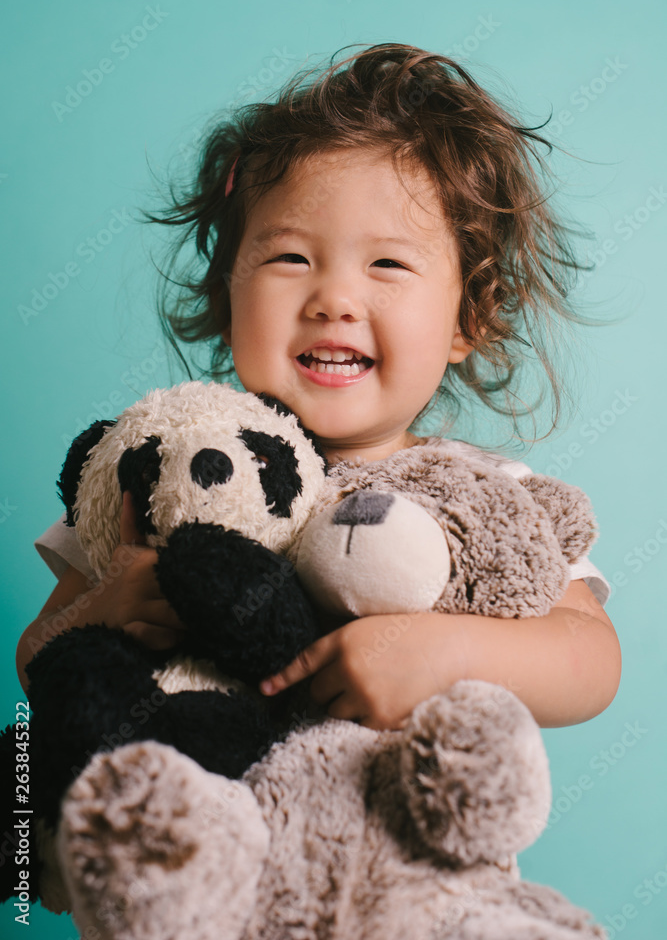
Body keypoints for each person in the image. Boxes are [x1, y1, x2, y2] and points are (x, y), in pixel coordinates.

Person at [17, 43, 621, 733]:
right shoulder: (165, 470)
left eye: (388, 263)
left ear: (468, 318)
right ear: (227, 296)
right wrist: (103, 615)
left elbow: (592, 659)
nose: (334, 299)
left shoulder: (483, 495)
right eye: (290, 257)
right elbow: (33, 661)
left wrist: (449, 653)